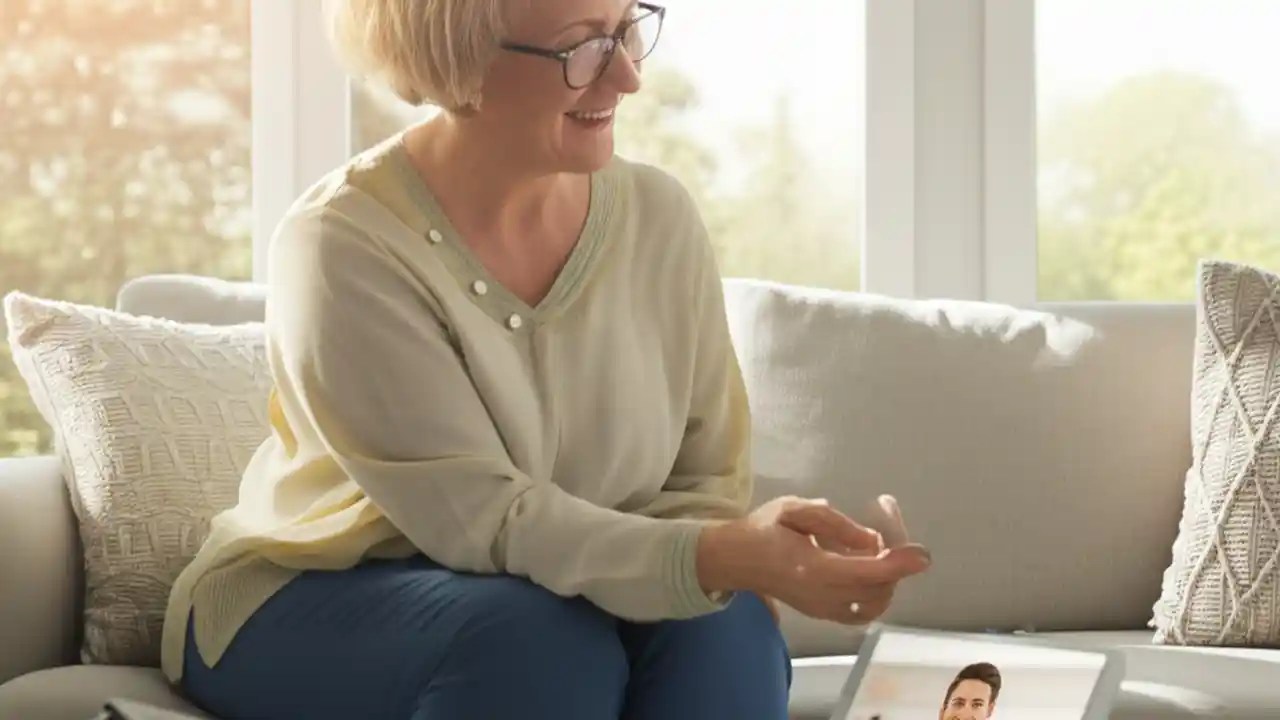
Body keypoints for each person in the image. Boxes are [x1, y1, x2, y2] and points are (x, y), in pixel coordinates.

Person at [160, 1, 933, 718]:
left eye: (628, 28)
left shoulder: (660, 218)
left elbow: (703, 483)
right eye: (582, 48)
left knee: (722, 623)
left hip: (558, 599)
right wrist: (723, 552)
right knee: (532, 640)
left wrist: (758, 557)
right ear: (456, 55)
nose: (628, 75)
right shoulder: (342, 245)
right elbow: (483, 521)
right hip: (312, 596)